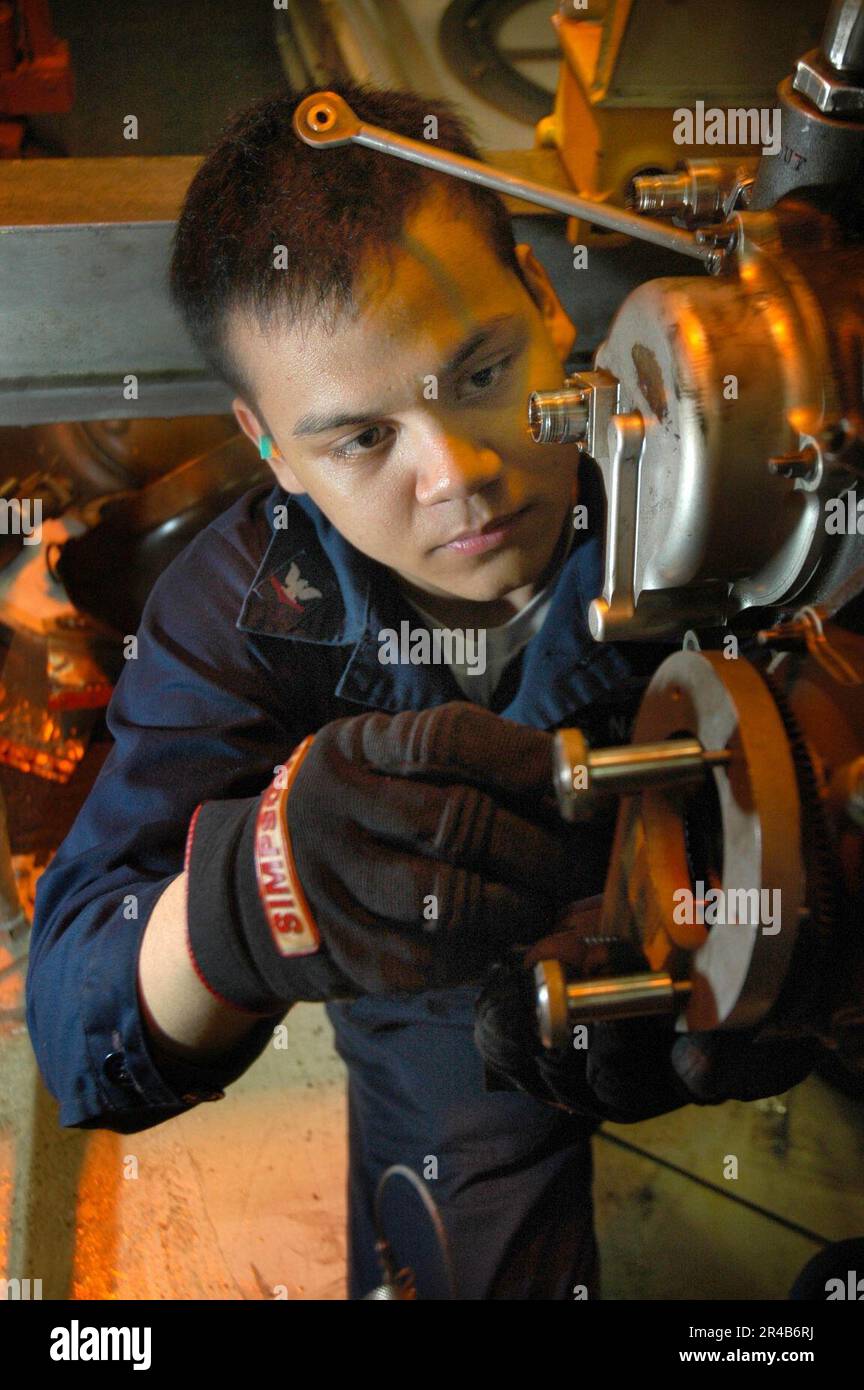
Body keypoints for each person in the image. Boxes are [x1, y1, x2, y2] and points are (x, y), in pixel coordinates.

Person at [26, 80, 816, 1301]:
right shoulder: (239, 609)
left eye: (483, 367)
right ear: (271, 449)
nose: (458, 475)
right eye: (360, 440)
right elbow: (78, 1027)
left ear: (550, 305)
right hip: (444, 999)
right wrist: (271, 888)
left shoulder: (734, 472)